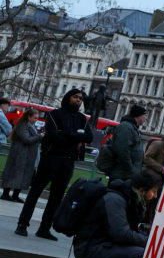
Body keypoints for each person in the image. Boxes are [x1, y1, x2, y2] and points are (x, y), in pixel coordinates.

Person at [15, 88, 93, 240]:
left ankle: (44, 228)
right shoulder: (54, 114)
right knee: (35, 192)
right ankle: (22, 224)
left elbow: (89, 136)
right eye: (75, 97)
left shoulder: (82, 118)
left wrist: (67, 134)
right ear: (68, 97)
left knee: (57, 198)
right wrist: (76, 137)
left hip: (68, 161)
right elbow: (52, 136)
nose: (78, 100)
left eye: (80, 98)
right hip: (51, 158)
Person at [75, 169, 160, 258]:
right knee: (142, 256)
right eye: (154, 191)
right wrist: (150, 242)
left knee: (144, 252)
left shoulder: (131, 199)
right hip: (89, 248)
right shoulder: (115, 200)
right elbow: (121, 234)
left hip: (100, 245)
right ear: (142, 190)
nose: (155, 195)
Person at [1, 108, 42, 202]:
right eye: (35, 118)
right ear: (29, 117)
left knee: (23, 175)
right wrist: (39, 136)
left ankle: (15, 195)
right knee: (13, 174)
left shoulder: (30, 126)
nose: (36, 120)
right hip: (19, 154)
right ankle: (6, 194)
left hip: (26, 155)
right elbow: (27, 139)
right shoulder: (23, 126)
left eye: (37, 118)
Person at [107, 104, 148, 182]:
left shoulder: (133, 128)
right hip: (121, 174)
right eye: (145, 115)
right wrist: (131, 168)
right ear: (138, 116)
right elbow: (122, 150)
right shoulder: (126, 127)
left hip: (126, 174)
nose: (146, 118)